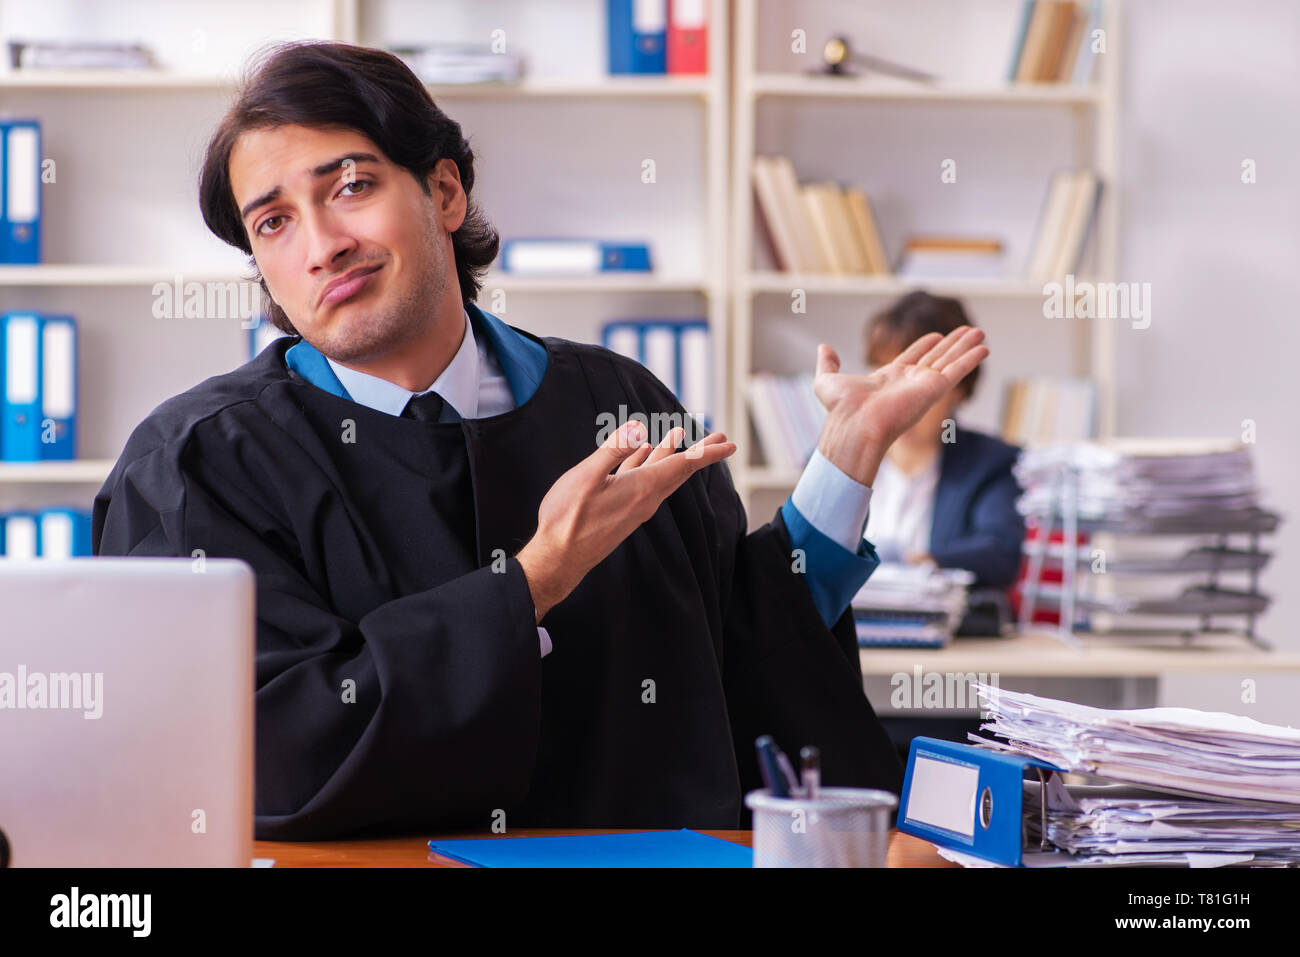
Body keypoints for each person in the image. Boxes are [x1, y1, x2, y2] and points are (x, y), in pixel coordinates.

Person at [92, 42, 989, 841]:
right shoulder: (196, 465)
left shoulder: (619, 402)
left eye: (351, 186)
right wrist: (534, 579)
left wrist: (846, 458)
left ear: (444, 191)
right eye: (274, 222)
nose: (321, 245)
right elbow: (264, 752)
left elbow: (736, 662)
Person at [862, 291, 1025, 593]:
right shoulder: (834, 462)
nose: (902, 400)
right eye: (890, 376)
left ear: (959, 388)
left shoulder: (991, 463)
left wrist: (915, 564)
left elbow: (1000, 553)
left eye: (920, 382)